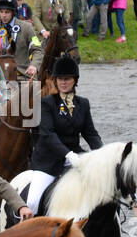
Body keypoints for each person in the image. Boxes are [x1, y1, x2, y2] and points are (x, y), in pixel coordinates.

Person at [24, 56, 101, 214]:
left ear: (75, 80)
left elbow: (91, 133)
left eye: (67, 79)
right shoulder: (46, 103)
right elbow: (48, 134)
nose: (63, 82)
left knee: (101, 190)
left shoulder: (83, 104)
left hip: (76, 157)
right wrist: (68, 154)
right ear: (55, 80)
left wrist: (102, 153)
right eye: (60, 79)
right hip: (48, 160)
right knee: (32, 201)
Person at [0, 0, 42, 79]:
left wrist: (34, 65)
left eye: (7, 12)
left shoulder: (27, 27)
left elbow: (38, 49)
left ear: (13, 12)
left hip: (22, 74)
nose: (3, 15)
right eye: (1, 12)